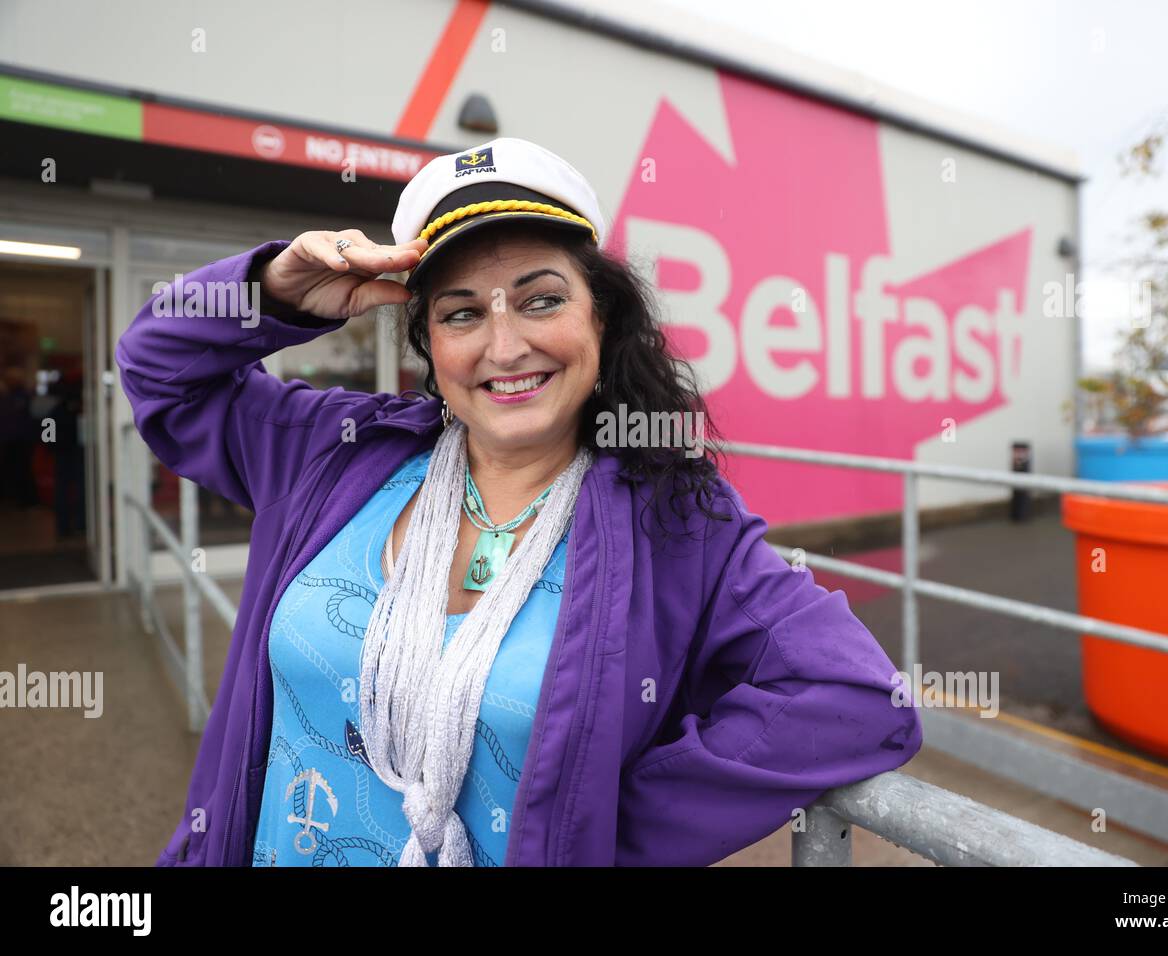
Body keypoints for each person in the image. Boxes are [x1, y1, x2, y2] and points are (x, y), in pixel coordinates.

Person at [117, 136, 921, 867]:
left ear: (601, 319)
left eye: (541, 300)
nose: (505, 346)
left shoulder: (677, 522)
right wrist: (272, 295)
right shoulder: (334, 452)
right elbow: (158, 373)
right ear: (428, 343)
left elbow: (855, 696)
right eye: (462, 312)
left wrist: (593, 826)